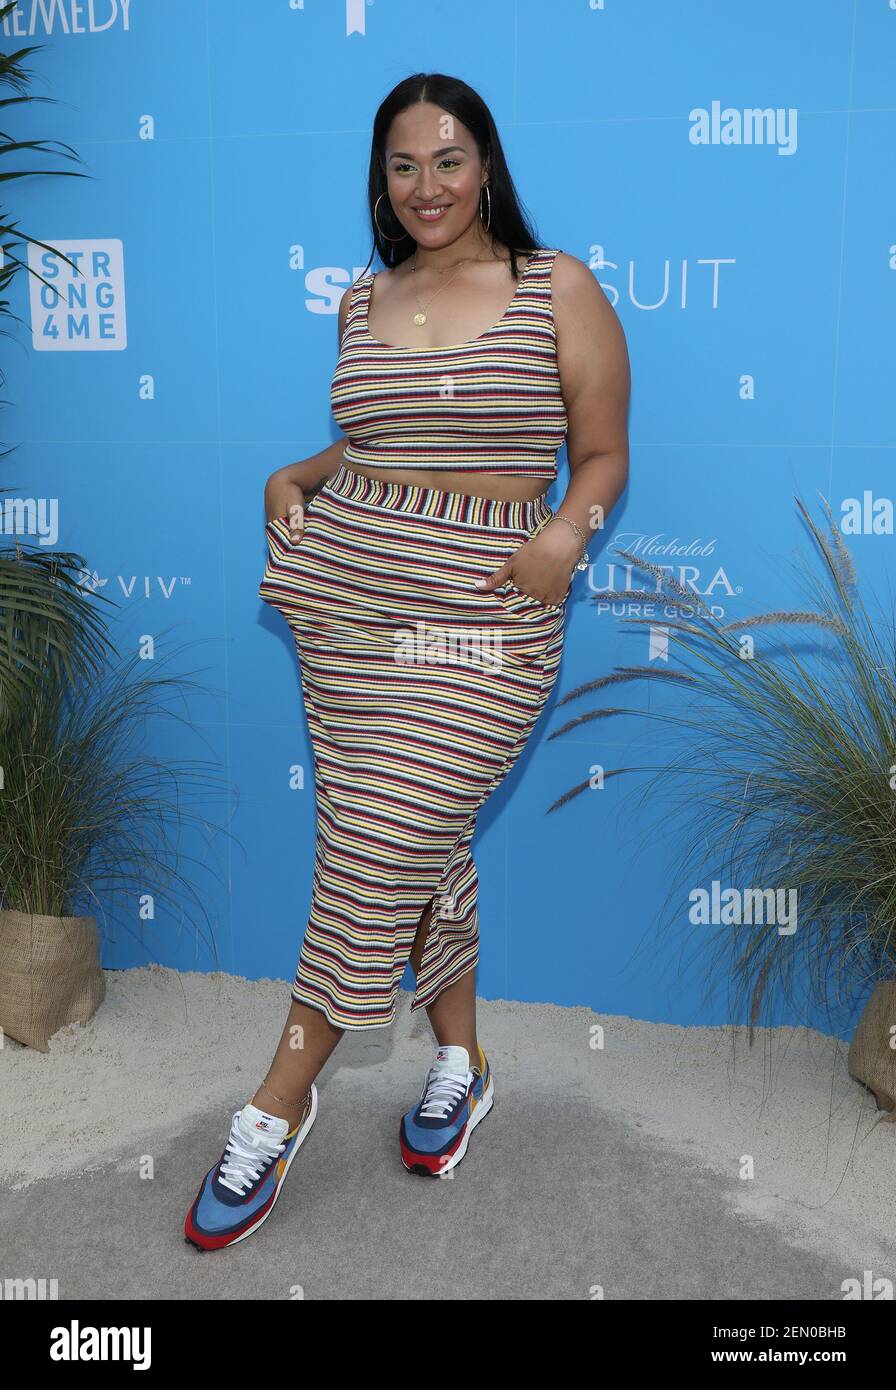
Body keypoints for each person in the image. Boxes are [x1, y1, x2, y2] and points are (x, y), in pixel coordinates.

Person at [184, 72, 629, 1253]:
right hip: (350, 602)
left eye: (446, 158)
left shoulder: (555, 286)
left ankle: (274, 1104)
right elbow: (388, 437)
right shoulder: (360, 297)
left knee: (381, 835)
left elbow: (599, 452)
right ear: (379, 181)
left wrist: (562, 535)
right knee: (405, 846)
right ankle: (458, 1060)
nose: (425, 185)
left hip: (487, 606)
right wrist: (302, 473)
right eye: (401, 165)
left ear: (484, 164)